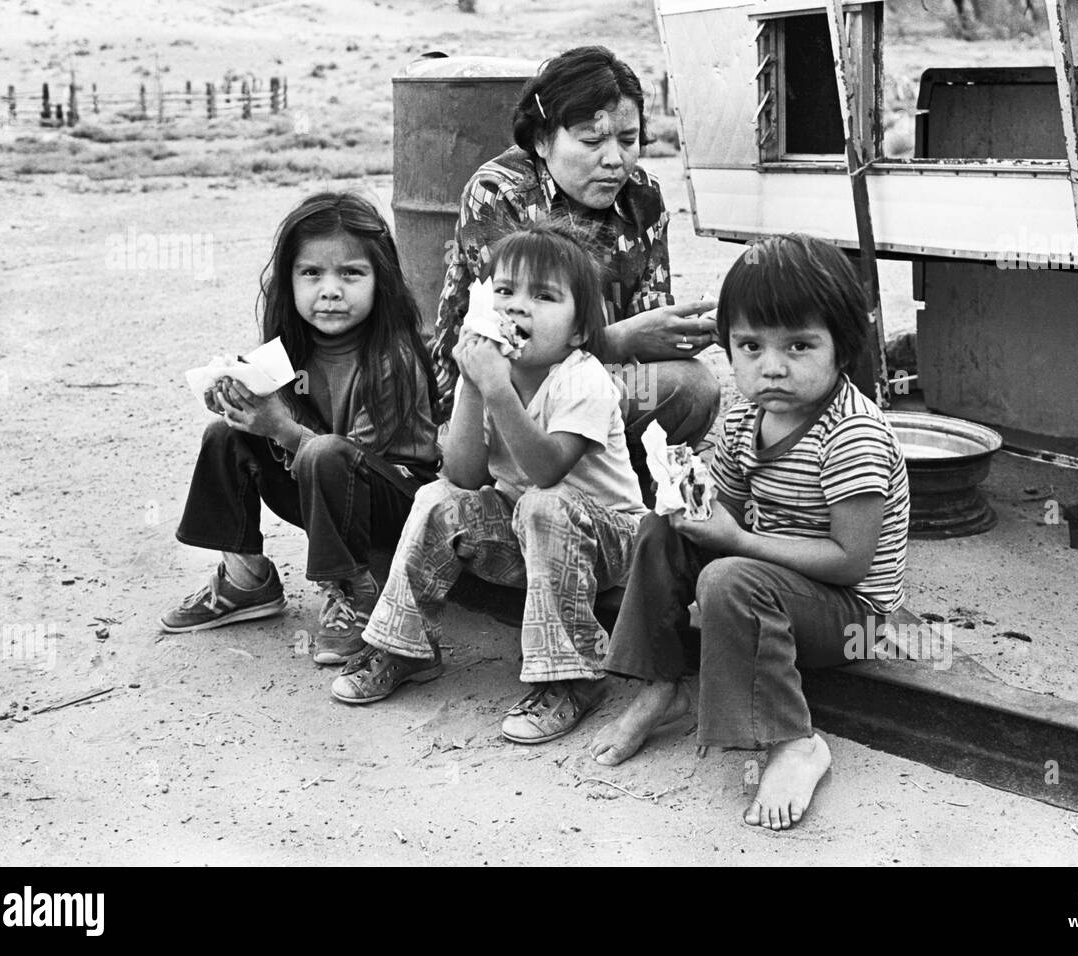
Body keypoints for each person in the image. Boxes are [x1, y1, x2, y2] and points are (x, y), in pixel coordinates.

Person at [588, 235, 910, 831]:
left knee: (730, 577)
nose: (772, 366)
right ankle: (662, 684)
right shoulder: (744, 415)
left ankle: (795, 741)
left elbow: (851, 564)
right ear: (728, 346)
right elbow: (725, 510)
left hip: (850, 616)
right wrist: (688, 502)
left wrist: (737, 542)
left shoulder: (851, 436)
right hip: (778, 583)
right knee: (662, 530)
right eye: (750, 346)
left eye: (799, 345)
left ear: (843, 347)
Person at [332, 221, 647, 745]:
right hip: (527, 540)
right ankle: (405, 647)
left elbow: (547, 471)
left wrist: (498, 388)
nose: (517, 307)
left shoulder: (582, 377)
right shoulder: (488, 374)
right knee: (437, 498)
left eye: (543, 296)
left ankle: (573, 677)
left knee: (544, 505)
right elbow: (462, 475)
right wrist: (475, 386)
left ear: (577, 330)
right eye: (504, 291)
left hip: (611, 545)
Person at [163, 192, 441, 667]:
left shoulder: (391, 357)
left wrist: (280, 428)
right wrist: (235, 403)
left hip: (398, 508)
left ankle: (356, 592)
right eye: (311, 273)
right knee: (226, 436)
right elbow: (279, 431)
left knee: (322, 453)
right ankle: (245, 579)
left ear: (382, 281)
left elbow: (347, 459)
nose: (329, 289)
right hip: (325, 491)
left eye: (351, 273)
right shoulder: (288, 349)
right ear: (289, 281)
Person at [430, 45, 721, 472]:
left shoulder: (644, 196)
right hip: (501, 392)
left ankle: (620, 490)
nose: (614, 159)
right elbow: (511, 343)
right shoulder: (499, 193)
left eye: (628, 140)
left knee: (692, 386)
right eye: (592, 140)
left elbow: (651, 321)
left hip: (594, 383)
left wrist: (690, 330)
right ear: (543, 140)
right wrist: (621, 338)